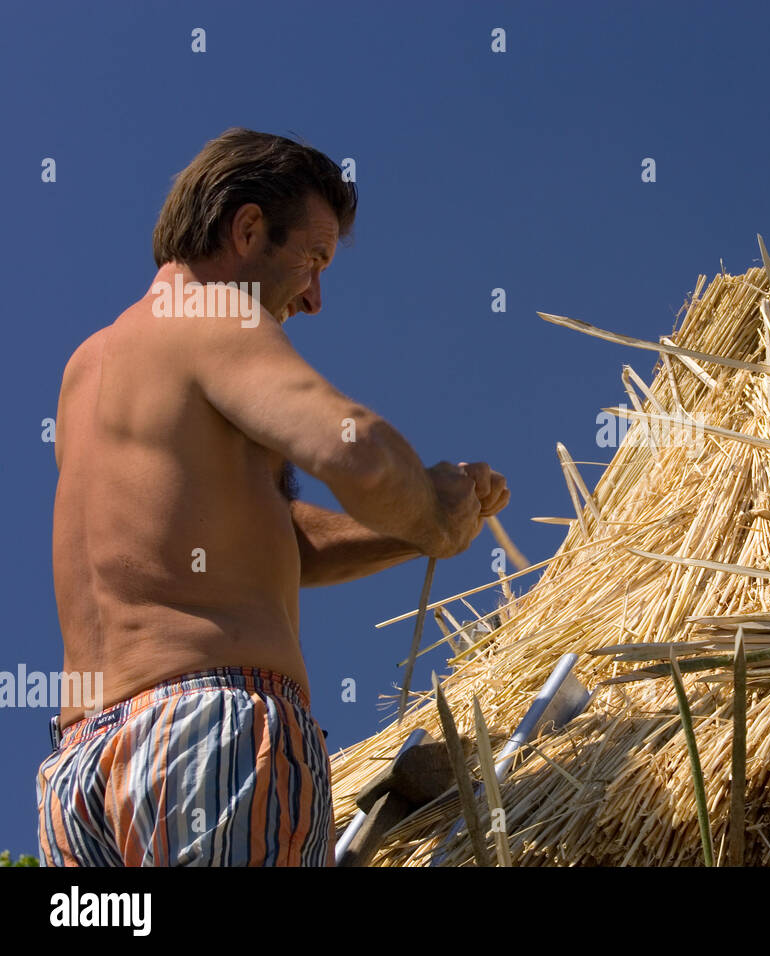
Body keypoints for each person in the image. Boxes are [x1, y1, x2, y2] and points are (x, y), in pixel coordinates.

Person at [36, 128, 508, 866]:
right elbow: (358, 453)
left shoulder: (86, 371)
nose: (315, 298)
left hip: (82, 777)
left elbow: (263, 543)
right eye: (312, 259)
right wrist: (434, 509)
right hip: (207, 740)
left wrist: (414, 534)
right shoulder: (213, 317)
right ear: (248, 228)